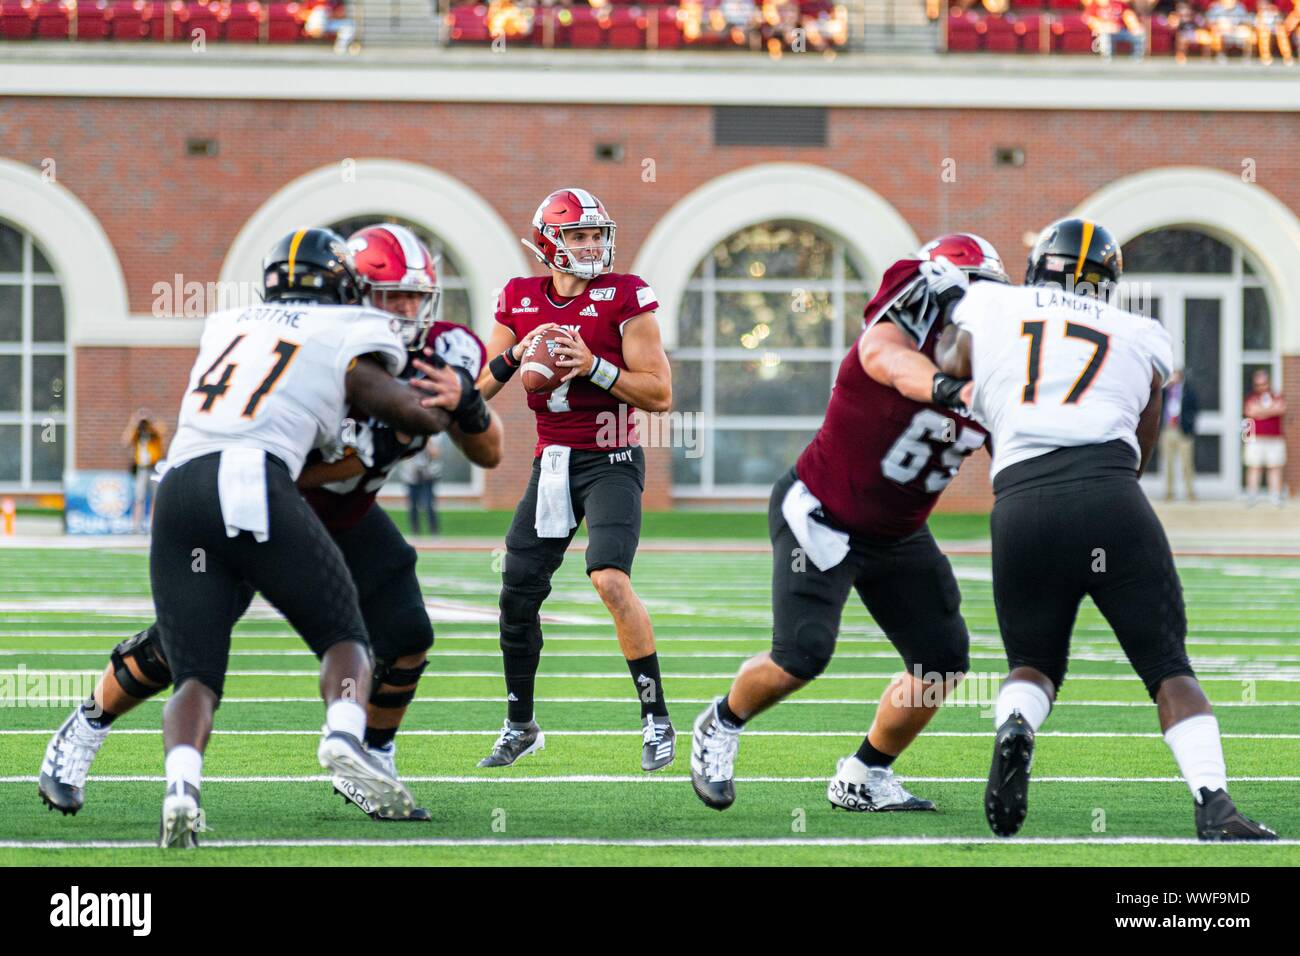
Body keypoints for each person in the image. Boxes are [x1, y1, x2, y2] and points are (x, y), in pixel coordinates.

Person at [38, 224, 502, 825]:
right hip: (273, 502)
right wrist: (385, 438)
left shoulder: (441, 350)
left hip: (349, 513)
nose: (407, 309)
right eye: (391, 296)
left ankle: (373, 760)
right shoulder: (333, 338)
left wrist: (466, 402)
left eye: (417, 295)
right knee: (181, 646)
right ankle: (86, 725)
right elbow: (304, 454)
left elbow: (489, 452)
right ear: (353, 293)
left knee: (408, 631)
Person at [938, 217, 1276, 841]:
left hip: (1020, 501)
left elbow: (951, 370)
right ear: (1108, 282)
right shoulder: (1141, 332)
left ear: (1040, 265)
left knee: (1032, 663)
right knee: (1168, 665)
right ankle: (1215, 805)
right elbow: (1144, 434)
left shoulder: (991, 303)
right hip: (1108, 491)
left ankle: (1016, 725)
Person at [690, 234, 1009, 813]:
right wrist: (957, 390)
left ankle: (864, 775)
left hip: (899, 534)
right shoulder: (890, 346)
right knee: (802, 655)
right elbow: (893, 363)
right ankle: (721, 722)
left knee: (941, 661)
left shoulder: (996, 373)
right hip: (820, 515)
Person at [475, 187, 676, 772]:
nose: (591, 246)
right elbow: (477, 390)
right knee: (516, 593)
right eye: (578, 236)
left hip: (611, 457)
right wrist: (517, 357)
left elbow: (660, 394)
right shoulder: (518, 298)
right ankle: (520, 724)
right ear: (548, 243)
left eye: (596, 235)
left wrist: (594, 365)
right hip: (553, 464)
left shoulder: (626, 294)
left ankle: (656, 719)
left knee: (610, 578)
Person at [1243, 368, 1286, 507]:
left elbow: (1281, 408)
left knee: (1275, 467)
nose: (1261, 387)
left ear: (1269, 382)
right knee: (1254, 467)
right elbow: (1250, 410)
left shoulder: (1277, 396)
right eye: (1258, 384)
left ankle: (1275, 496)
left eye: (1264, 383)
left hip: (1275, 439)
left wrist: (1260, 412)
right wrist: (1270, 411)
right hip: (1255, 438)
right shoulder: (1251, 397)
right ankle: (1252, 496)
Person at [121, 410, 165, 533]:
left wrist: (149, 421)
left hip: (154, 468)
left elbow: (161, 431)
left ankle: (153, 526)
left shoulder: (154, 432)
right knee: (139, 498)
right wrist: (134, 422)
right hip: (142, 468)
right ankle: (136, 527)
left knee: (155, 498)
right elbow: (125, 441)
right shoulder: (138, 433)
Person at [1159, 368, 1198, 501]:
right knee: (1168, 462)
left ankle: (1190, 492)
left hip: (1183, 431)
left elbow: (1195, 410)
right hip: (1168, 430)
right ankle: (1169, 492)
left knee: (1186, 463)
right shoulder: (1165, 392)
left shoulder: (1188, 392)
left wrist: (1189, 424)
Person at [403, 437, 442, 535]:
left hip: (427, 477)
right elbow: (405, 456)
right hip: (412, 477)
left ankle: (434, 532)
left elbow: (435, 454)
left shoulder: (432, 438)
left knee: (429, 505)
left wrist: (427, 441)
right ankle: (415, 532)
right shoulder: (411, 437)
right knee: (413, 506)